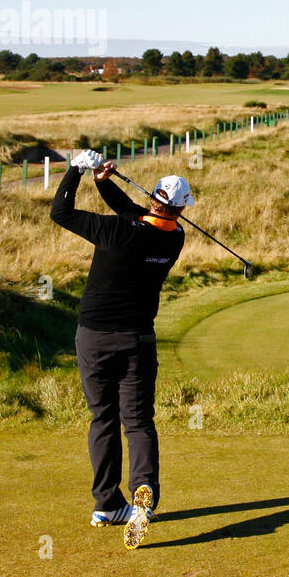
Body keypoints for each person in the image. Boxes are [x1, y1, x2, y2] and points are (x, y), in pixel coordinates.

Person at [51, 153, 192, 550]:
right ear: (180, 209)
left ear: (153, 199)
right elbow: (135, 213)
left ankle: (106, 503)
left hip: (93, 338)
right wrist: (102, 181)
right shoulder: (174, 238)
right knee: (139, 422)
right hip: (137, 341)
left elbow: (61, 212)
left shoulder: (113, 231)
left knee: (103, 418)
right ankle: (142, 489)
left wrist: (75, 171)